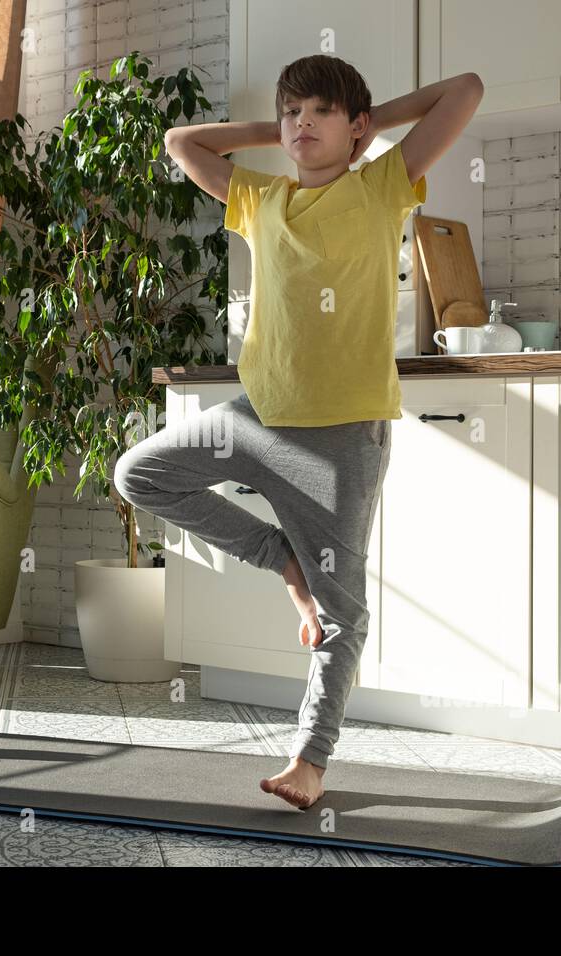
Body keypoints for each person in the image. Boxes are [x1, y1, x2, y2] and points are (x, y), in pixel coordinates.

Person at [115, 55, 483, 809]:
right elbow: (182, 142)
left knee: (342, 611)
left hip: (341, 440)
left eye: (320, 111)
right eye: (292, 112)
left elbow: (465, 91)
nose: (301, 123)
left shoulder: (383, 187)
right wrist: (283, 132)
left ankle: (309, 764)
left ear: (356, 129)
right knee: (139, 476)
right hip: (257, 421)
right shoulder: (261, 197)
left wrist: (368, 127)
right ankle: (285, 562)